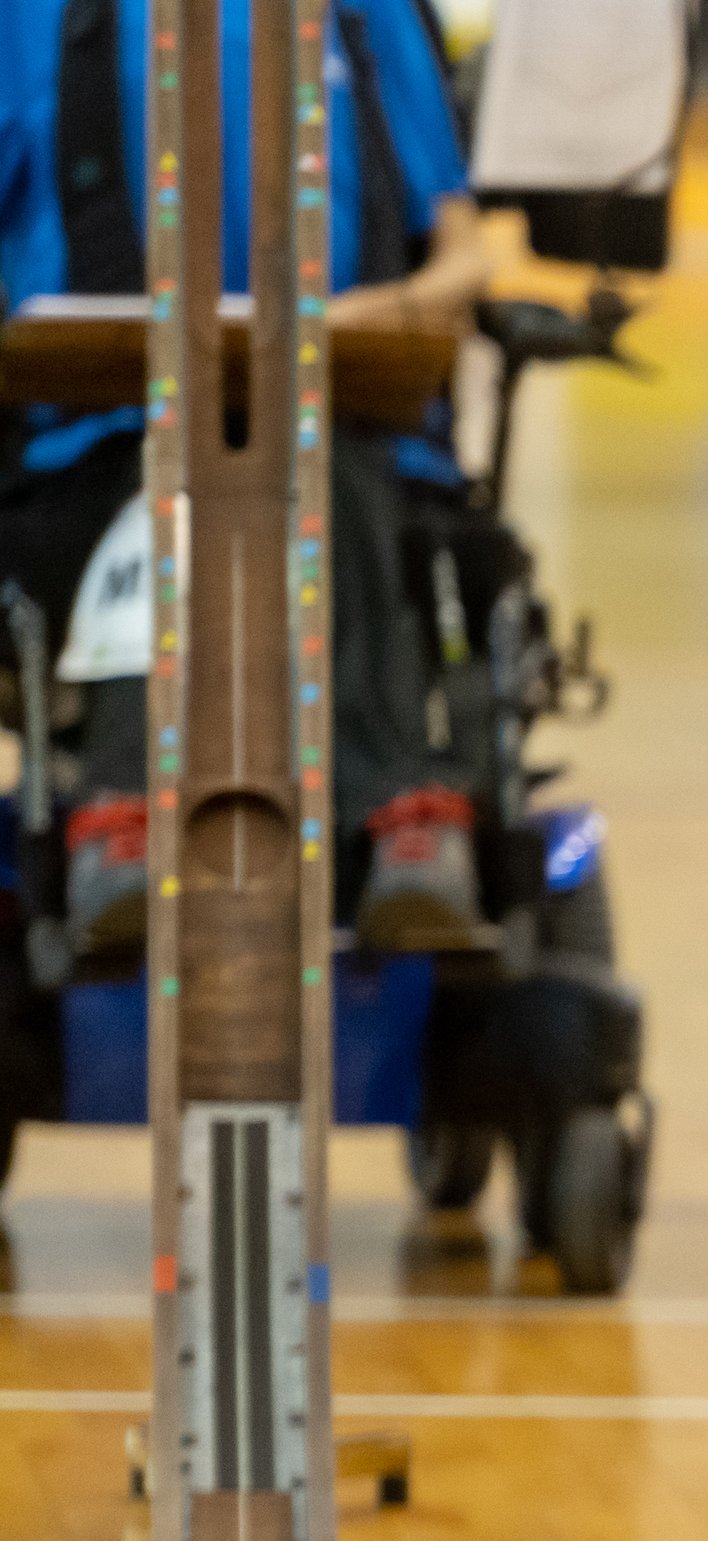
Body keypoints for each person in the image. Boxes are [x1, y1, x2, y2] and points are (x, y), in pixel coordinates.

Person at [0, 0, 492, 953]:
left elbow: (465, 257)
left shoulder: (371, 13)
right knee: (174, 485)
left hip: (337, 419)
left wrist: (370, 317)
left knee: (301, 463)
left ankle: (397, 820)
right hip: (94, 436)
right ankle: (124, 806)